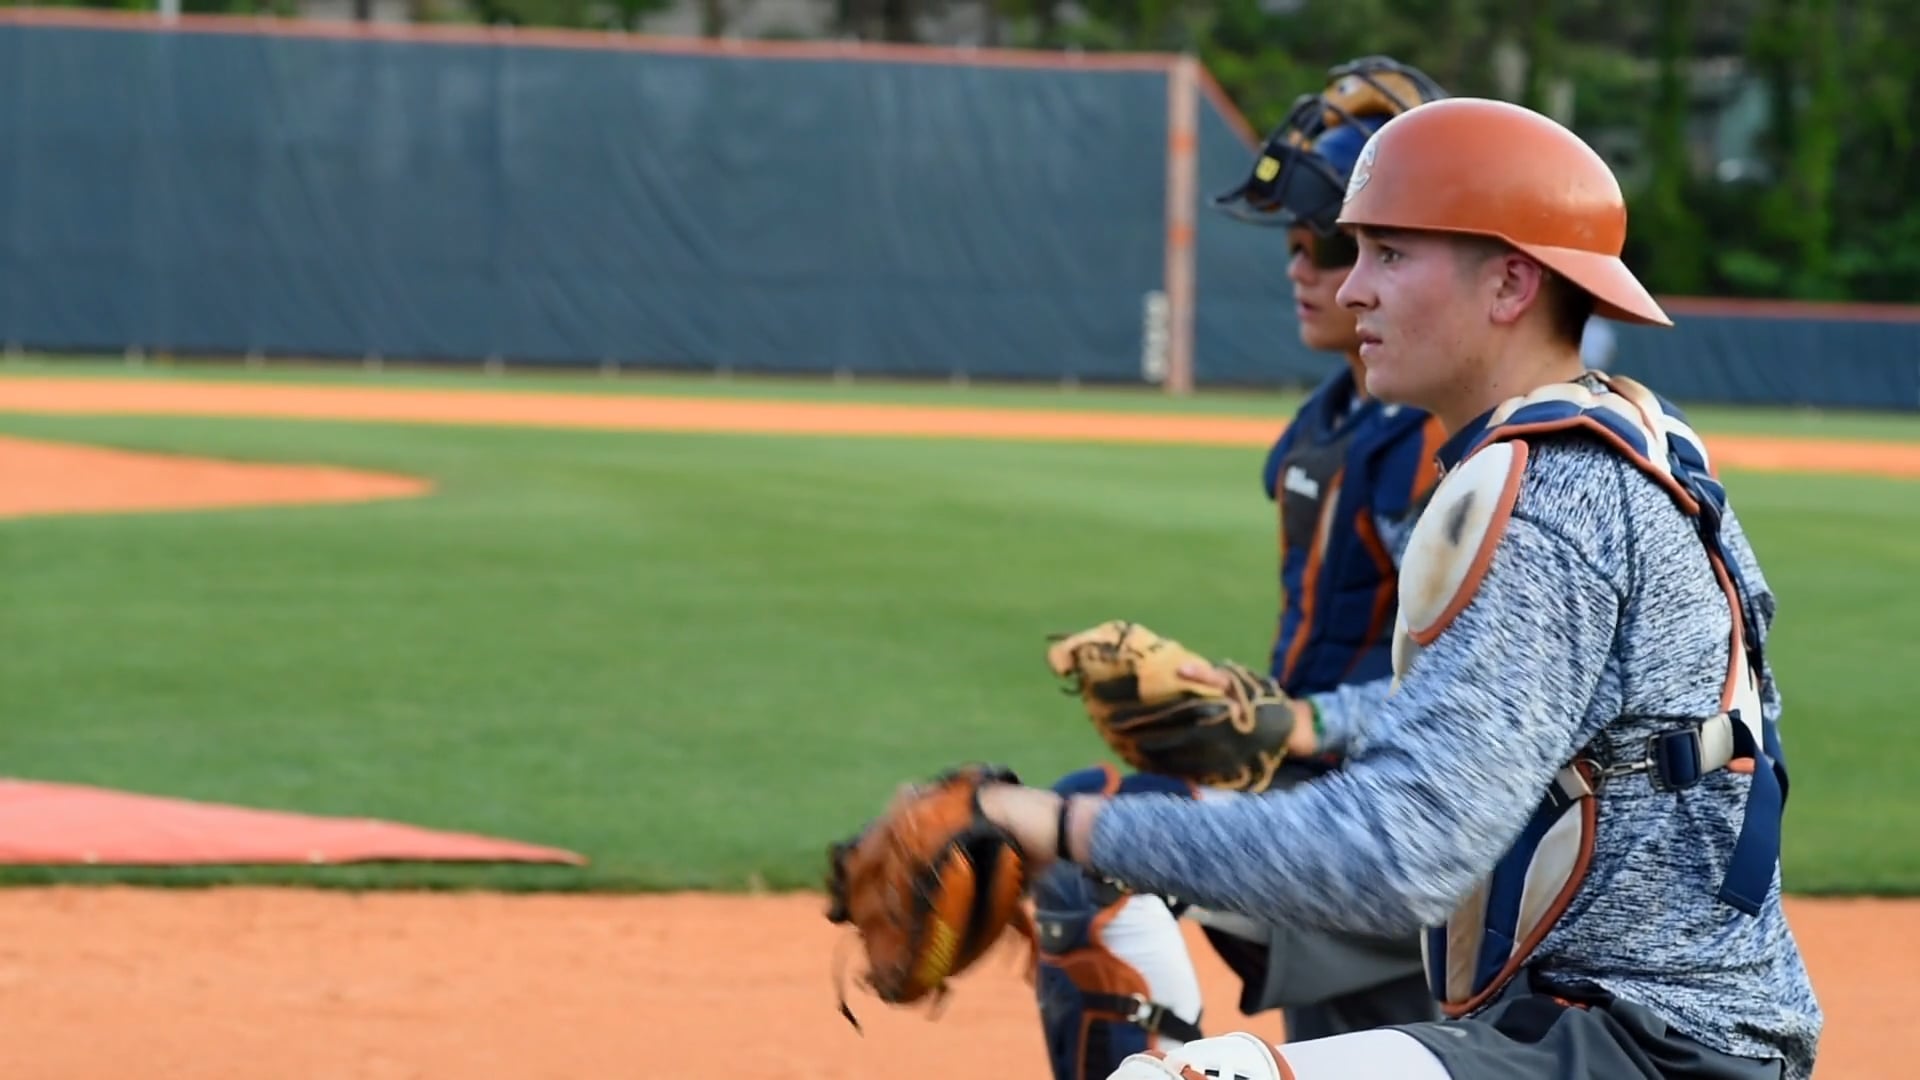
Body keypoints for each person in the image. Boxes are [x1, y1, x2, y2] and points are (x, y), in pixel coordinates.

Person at [976, 96, 1823, 1079]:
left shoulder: (1560, 495)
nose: (1354, 290)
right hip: (1598, 1023)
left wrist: (1064, 824)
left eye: (1386, 254)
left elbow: (1403, 852)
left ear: (1510, 283)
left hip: (1650, 1042)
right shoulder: (1621, 436)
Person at [1025, 56, 1450, 1080]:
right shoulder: (1336, 418)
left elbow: (1473, 702)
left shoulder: (1448, 445)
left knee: (1096, 855)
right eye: (1300, 244)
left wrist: (1304, 723)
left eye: (1330, 242)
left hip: (1405, 820)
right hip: (1322, 791)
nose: (1303, 266)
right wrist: (1250, 706)